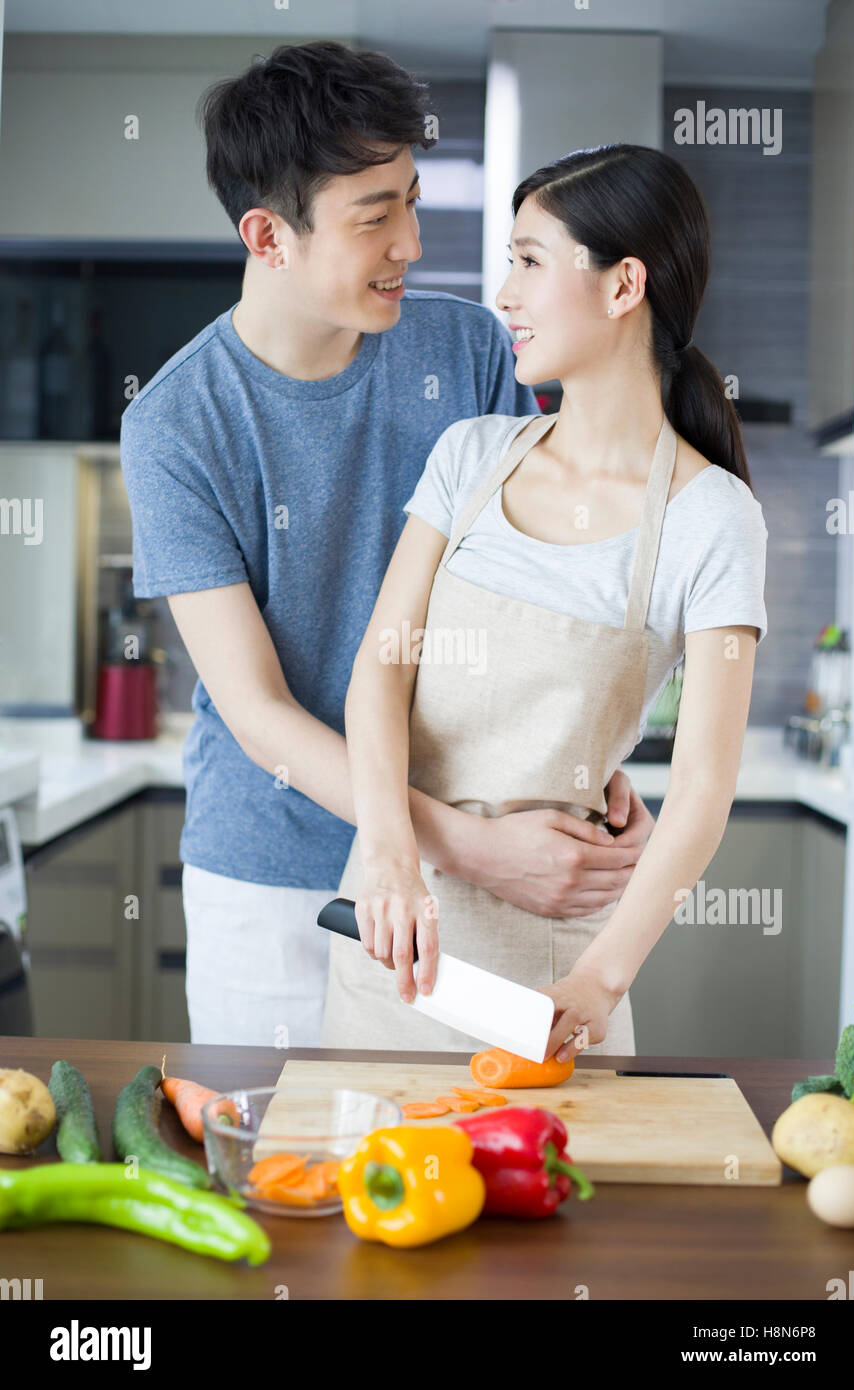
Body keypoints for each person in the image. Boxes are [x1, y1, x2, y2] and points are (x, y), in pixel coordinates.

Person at [119, 43, 653, 1048]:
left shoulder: (467, 349)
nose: (410, 240)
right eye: (374, 217)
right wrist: (464, 846)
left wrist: (582, 762)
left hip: (465, 859)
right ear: (267, 236)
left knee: (465, 1172)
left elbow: (533, 599)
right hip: (274, 878)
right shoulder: (178, 424)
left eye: (410, 199)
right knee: (281, 1180)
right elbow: (260, 712)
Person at [321, 142, 769, 1061]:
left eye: (528, 261)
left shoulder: (713, 519)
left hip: (554, 984)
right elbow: (378, 674)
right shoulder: (471, 455)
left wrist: (603, 978)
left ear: (622, 287)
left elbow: (701, 790)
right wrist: (393, 862)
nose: (505, 296)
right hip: (396, 942)